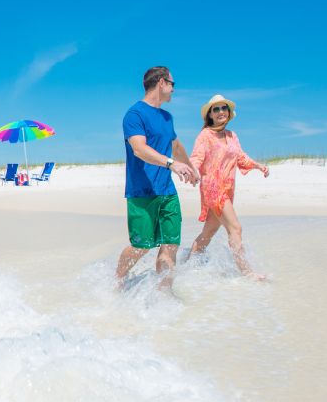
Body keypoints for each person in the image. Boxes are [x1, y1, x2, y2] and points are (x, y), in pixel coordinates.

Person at [116, 66, 200, 291]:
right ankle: (118, 281)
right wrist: (172, 164)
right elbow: (139, 149)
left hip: (167, 191)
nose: (173, 89)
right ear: (161, 83)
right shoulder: (134, 114)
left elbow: (176, 145)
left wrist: (191, 169)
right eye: (172, 84)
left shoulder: (167, 117)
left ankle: (164, 294)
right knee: (141, 246)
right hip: (141, 193)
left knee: (170, 245)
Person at [187, 94, 270, 278]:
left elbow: (240, 157)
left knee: (209, 231)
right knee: (235, 228)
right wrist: (191, 170)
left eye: (223, 108)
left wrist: (258, 166)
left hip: (228, 188)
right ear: (210, 115)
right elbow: (196, 157)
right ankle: (247, 272)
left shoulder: (232, 136)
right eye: (215, 109)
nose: (220, 112)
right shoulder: (205, 135)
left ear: (229, 112)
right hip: (213, 189)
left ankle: (188, 264)